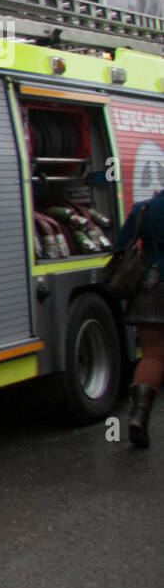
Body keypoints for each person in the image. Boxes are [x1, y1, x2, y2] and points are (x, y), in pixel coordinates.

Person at [112, 188, 164, 447]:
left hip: (150, 284)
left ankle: (138, 418)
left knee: (153, 354)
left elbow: (120, 246)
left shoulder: (144, 209)